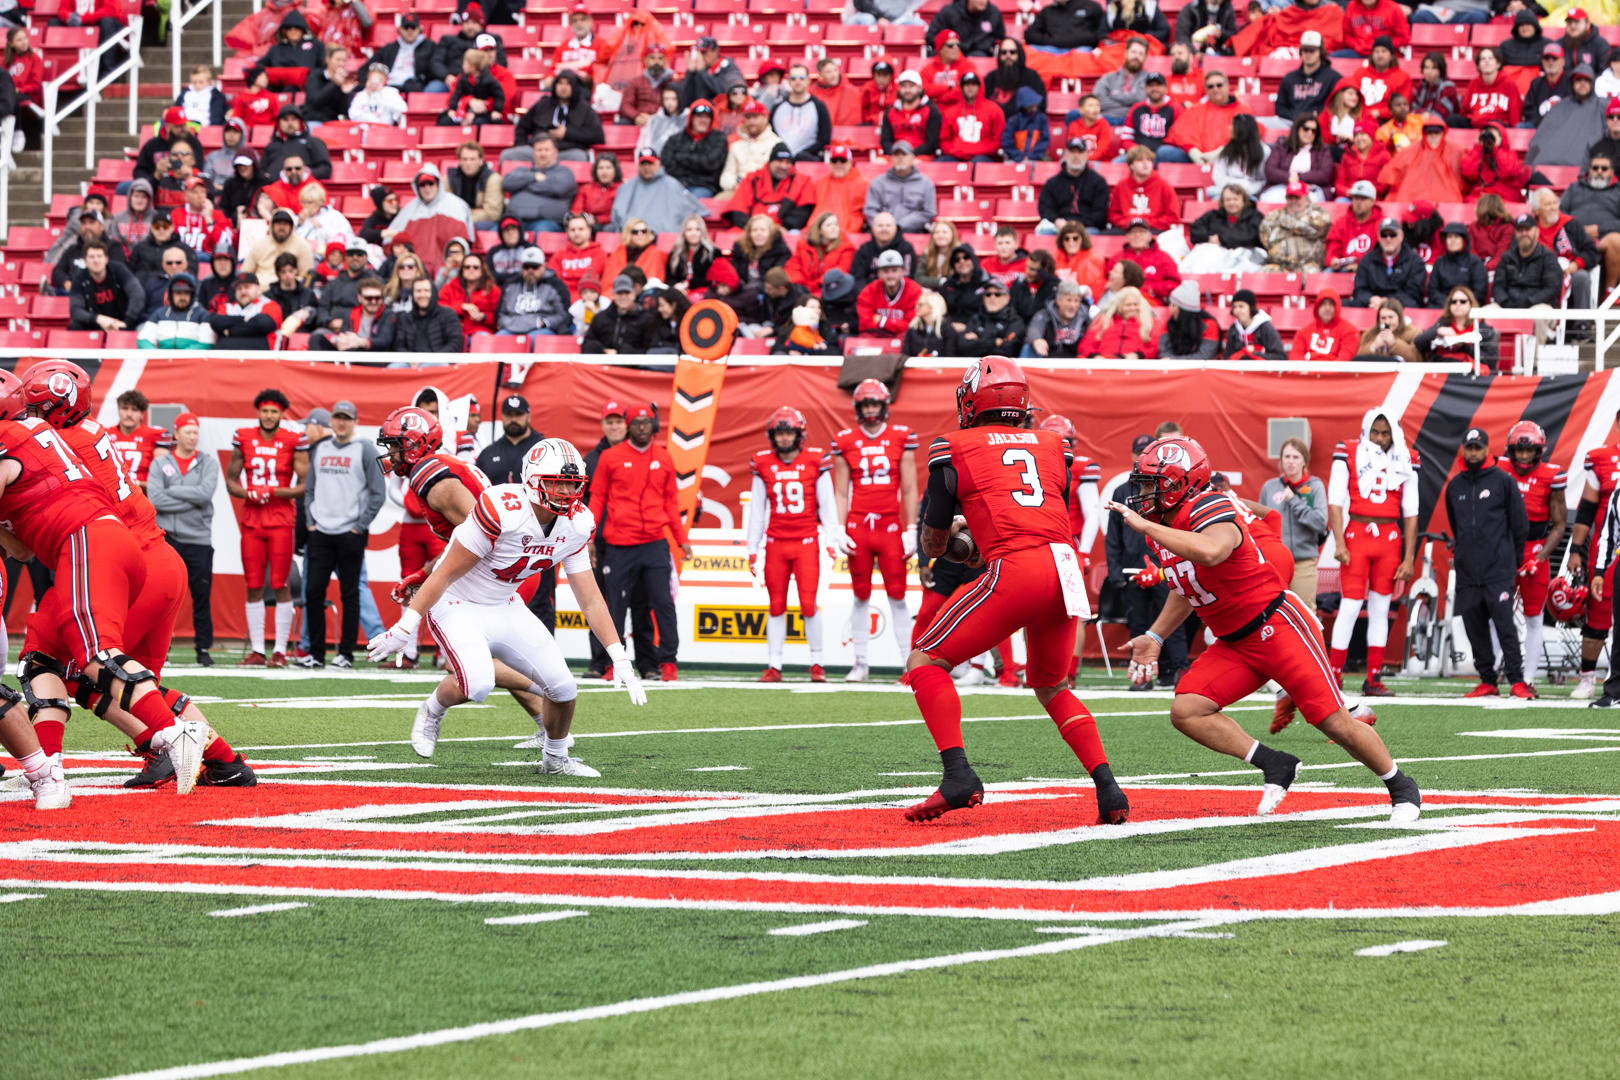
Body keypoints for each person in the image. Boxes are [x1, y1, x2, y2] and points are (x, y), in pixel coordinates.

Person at [1115, 435, 1421, 820]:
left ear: (1181, 483)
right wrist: (1156, 636)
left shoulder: (1210, 503)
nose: (1143, 493)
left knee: (1334, 721)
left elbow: (1212, 550)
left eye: (1151, 485)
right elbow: (1186, 586)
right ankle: (1275, 763)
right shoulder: (1161, 527)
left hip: (1276, 625)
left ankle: (1402, 787)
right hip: (1234, 643)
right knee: (1187, 709)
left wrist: (1148, 526)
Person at [903, 355, 1127, 824]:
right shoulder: (1053, 445)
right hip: (1063, 566)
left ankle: (958, 773)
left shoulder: (953, 445)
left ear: (972, 400)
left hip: (1019, 567)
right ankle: (1108, 787)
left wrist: (959, 545)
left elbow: (934, 540)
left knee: (925, 661)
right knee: (1051, 684)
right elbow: (1030, 506)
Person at [368, 436, 643, 771]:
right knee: (478, 683)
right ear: (532, 481)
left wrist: (619, 656)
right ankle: (432, 710)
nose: (567, 494)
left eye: (573, 486)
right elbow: (444, 574)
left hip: (505, 603)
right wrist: (405, 626)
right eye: (558, 485)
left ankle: (555, 760)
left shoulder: (577, 522)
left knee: (564, 688)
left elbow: (590, 598)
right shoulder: (502, 509)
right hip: (457, 601)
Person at [589, 404, 687, 682]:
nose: (642, 427)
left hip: (655, 542)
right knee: (615, 607)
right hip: (620, 544)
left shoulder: (665, 458)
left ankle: (668, 662)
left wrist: (682, 540)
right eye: (637, 423)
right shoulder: (610, 457)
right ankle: (613, 663)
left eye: (647, 422)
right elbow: (597, 499)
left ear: (654, 425)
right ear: (628, 426)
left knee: (662, 603)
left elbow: (671, 503)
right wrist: (590, 536)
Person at [1327, 409, 1417, 696]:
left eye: (1385, 433)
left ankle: (1374, 678)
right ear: (1367, 430)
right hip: (1357, 535)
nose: (1379, 439)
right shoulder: (1349, 450)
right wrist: (1339, 542)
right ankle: (1334, 675)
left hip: (1389, 537)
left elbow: (1411, 510)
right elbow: (1336, 498)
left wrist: (1409, 556)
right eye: (1375, 432)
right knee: (1350, 607)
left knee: (1380, 610)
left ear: (1394, 434)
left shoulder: (1406, 456)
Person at [746, 408, 840, 682]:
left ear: (799, 434)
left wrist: (832, 540)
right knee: (776, 605)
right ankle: (774, 665)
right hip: (775, 543)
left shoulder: (815, 460)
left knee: (809, 604)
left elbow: (827, 504)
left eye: (789, 432)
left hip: (806, 542)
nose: (784, 438)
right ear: (772, 435)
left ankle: (817, 662)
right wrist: (752, 547)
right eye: (780, 432)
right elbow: (756, 509)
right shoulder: (762, 462)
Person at [1441, 427, 1532, 699]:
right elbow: (1457, 528)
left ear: (1486, 450)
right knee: (1474, 628)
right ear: (1463, 449)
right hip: (1468, 573)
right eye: (1468, 448)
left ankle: (1517, 681)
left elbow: (1520, 526)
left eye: (1477, 448)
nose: (1473, 453)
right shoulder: (1454, 486)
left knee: (1506, 627)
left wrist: (1509, 562)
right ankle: (1488, 681)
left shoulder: (1503, 481)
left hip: (1498, 570)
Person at [297, 401, 385, 670]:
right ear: (332, 421)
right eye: (338, 418)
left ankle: (345, 654)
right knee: (313, 593)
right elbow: (310, 489)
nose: (342, 423)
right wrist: (311, 521)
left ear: (355, 421)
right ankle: (316, 653)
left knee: (350, 594)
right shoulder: (321, 448)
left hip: (350, 533)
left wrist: (359, 526)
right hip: (321, 532)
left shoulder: (365, 449)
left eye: (347, 418)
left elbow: (378, 492)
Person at [226, 388, 309, 666]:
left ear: (281, 414)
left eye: (274, 411)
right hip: (252, 520)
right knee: (253, 584)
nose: (269, 416)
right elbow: (232, 480)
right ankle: (259, 650)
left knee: (280, 583)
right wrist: (248, 493)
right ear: (258, 412)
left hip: (281, 520)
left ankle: (281, 651)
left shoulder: (294, 439)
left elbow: (304, 485)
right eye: (265, 411)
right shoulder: (244, 437)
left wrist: (273, 492)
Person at [146, 412, 219, 666]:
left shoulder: (208, 463)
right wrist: (190, 498)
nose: (192, 436)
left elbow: (205, 493)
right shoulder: (160, 463)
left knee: (201, 593)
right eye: (188, 431)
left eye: (196, 432)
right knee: (161, 595)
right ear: (176, 434)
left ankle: (203, 648)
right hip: (167, 537)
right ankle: (155, 649)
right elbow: (155, 498)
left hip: (198, 538)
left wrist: (172, 492)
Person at [1491, 212, 1568, 344]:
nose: (1524, 233)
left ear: (1537, 231)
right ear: (1515, 234)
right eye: (1520, 230)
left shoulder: (1548, 257)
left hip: (1539, 305)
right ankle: (1489, 359)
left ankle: (1534, 362)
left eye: (1528, 229)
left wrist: (1527, 302)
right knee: (1484, 313)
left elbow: (1551, 289)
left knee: (1537, 315)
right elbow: (1498, 287)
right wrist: (1506, 302)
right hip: (1509, 304)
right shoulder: (1507, 257)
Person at [1161, 70, 1250, 164]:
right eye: (1210, 86)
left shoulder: (1242, 110)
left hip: (1231, 156)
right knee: (1164, 152)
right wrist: (1193, 152)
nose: (1215, 89)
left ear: (1227, 85)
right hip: (1200, 157)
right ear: (1206, 90)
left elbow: (1248, 135)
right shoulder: (1197, 109)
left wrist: (1222, 152)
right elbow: (1179, 132)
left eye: (1219, 85)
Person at [610, 150, 705, 235]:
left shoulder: (671, 184)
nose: (647, 167)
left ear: (658, 164)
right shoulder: (628, 186)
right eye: (643, 164)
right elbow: (617, 215)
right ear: (638, 165)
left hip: (663, 238)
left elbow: (694, 210)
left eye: (650, 163)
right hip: (634, 237)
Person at [1528, 64, 1604, 168]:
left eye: (1586, 80)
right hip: (1551, 165)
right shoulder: (1559, 107)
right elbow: (1541, 138)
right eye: (1578, 80)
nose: (1582, 83)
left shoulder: (1602, 106)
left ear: (1592, 83)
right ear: (1572, 83)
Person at [1349, 217, 1427, 308]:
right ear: (1378, 237)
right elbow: (1360, 290)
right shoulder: (1367, 260)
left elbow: (1414, 293)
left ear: (1401, 236)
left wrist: (1387, 302)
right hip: (1372, 304)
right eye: (1384, 235)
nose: (1388, 239)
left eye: (1393, 235)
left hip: (1402, 306)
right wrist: (1371, 299)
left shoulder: (1415, 261)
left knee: (1412, 303)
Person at [66, 240, 142, 333]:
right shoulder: (79, 278)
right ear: (85, 261)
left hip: (122, 322)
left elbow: (137, 294)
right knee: (74, 326)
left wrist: (127, 321)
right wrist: (98, 319)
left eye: (99, 256)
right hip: (96, 324)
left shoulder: (118, 269)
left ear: (106, 259)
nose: (96, 260)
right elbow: (75, 310)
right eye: (91, 257)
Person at [1038, 138, 1109, 234]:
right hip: (1059, 227)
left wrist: (1077, 225)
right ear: (1065, 155)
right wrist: (1056, 221)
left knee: (1092, 233)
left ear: (1086, 155)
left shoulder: (1098, 182)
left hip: (1087, 228)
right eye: (1072, 152)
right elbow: (1045, 208)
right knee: (1044, 232)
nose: (1076, 156)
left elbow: (1100, 214)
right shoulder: (1052, 183)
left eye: (1080, 152)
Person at [1262, 114, 1333, 201]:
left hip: (1311, 189)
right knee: (1273, 199)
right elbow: (1270, 170)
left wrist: (1299, 178)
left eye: (1313, 131)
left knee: (1305, 201)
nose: (1309, 133)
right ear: (1297, 129)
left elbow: (1325, 174)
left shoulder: (1323, 150)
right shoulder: (1282, 146)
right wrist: (1289, 178)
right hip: (1282, 187)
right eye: (1306, 129)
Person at [857, 249, 922, 334]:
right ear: (879, 273)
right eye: (886, 271)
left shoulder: (914, 291)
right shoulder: (868, 291)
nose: (890, 275)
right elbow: (865, 324)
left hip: (904, 340)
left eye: (894, 270)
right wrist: (897, 325)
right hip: (876, 338)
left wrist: (882, 321)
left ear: (902, 272)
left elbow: (912, 326)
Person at [1208, 113, 1269, 199]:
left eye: (1233, 125)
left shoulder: (1263, 151)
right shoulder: (1226, 150)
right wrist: (1238, 186)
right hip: (1227, 193)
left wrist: (1246, 187)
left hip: (1252, 194)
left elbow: (1264, 179)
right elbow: (1217, 177)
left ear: (1243, 130)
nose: (1229, 128)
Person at [1157, 280, 1220, 359]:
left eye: (1173, 305)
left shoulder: (1209, 325)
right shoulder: (1170, 323)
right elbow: (1163, 351)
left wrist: (1173, 360)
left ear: (1184, 309)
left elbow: (1205, 355)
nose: (1170, 309)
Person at [1221, 289, 1285, 361]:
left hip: (1263, 370)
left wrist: (1252, 355)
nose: (1237, 310)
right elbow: (1228, 357)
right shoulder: (1233, 329)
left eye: (1241, 306)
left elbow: (1280, 357)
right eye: (1234, 307)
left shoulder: (1266, 328)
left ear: (1251, 308)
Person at [926, 0, 1006, 57]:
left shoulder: (993, 13)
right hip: (951, 52)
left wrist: (984, 44)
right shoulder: (949, 11)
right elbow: (931, 36)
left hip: (978, 53)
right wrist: (949, 44)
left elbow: (999, 37)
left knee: (977, 56)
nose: (983, 1)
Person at [1354, 298, 1420, 361]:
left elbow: (1417, 360)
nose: (1387, 322)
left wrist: (1394, 344)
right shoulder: (1370, 334)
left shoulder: (1413, 333)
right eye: (1383, 318)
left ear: (1399, 317)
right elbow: (1358, 358)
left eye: (1390, 317)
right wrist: (1373, 346)